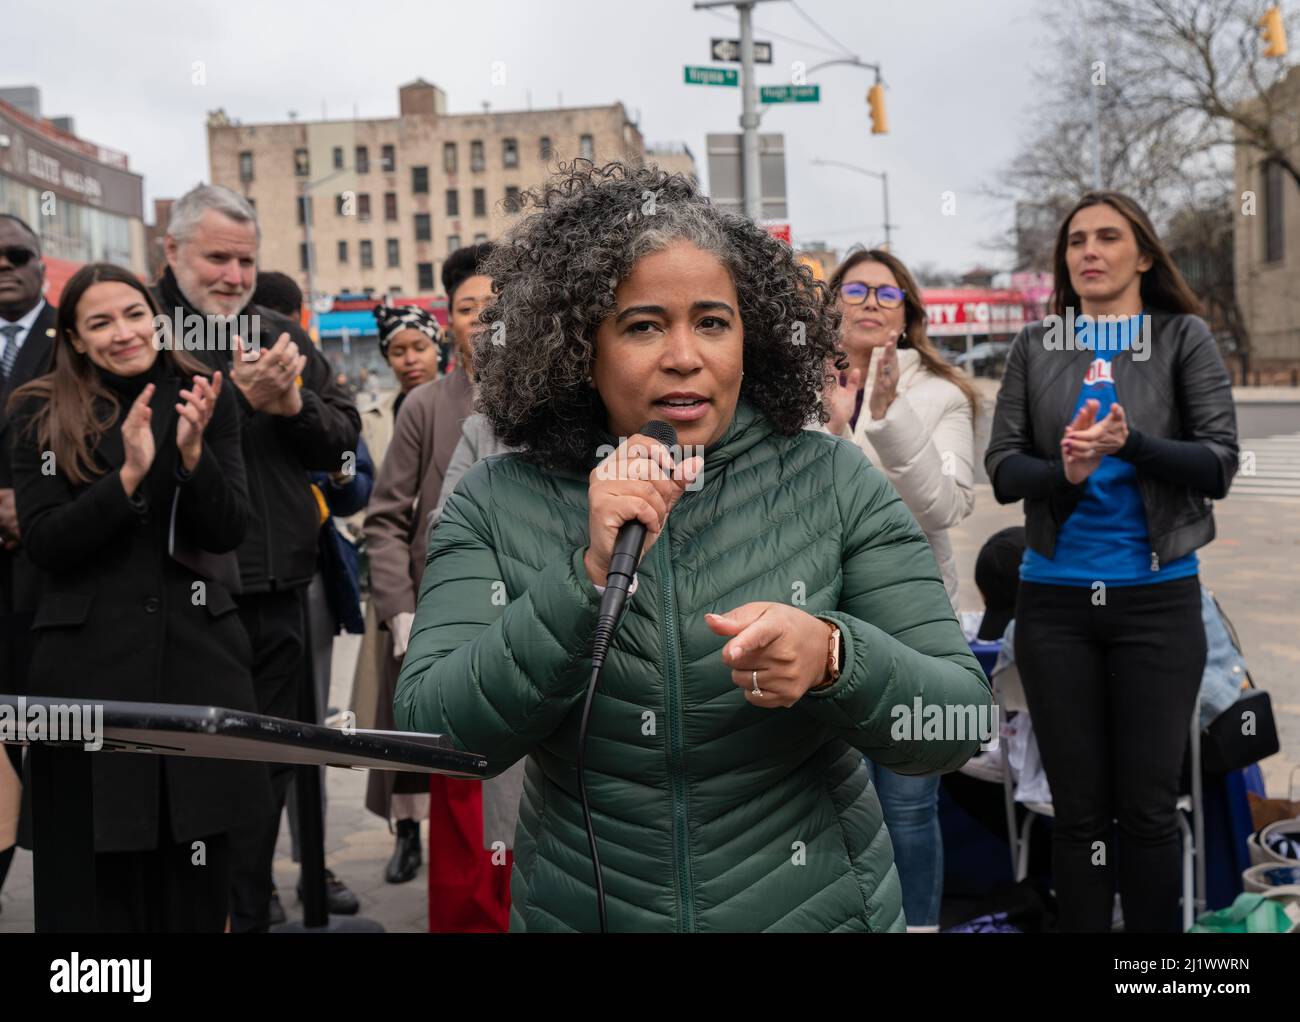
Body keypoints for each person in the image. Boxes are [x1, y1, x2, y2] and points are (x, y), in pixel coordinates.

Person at [394, 161, 990, 932]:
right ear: (580, 345)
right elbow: (434, 732)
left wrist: (836, 657)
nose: (685, 355)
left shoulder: (831, 478)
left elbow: (957, 722)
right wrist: (584, 580)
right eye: (643, 325)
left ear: (753, 337)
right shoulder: (497, 497)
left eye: (712, 321)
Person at [985, 191, 1238, 932]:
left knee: (1150, 810)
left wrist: (1132, 446)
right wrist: (1063, 474)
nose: (1088, 251)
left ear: (1145, 255)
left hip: (1157, 603)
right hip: (1055, 604)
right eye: (1075, 241)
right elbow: (1002, 468)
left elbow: (1218, 464)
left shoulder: (1182, 338)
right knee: (1078, 813)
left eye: (1107, 238)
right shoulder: (1039, 344)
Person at [8, 263, 272, 930]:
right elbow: (46, 544)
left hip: (197, 667)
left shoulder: (205, 393)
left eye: (133, 313)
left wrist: (189, 458)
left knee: (196, 882)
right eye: (99, 322)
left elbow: (230, 527)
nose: (123, 333)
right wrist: (126, 476)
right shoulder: (39, 408)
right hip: (86, 674)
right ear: (73, 336)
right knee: (97, 899)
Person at [156, 184, 361, 933]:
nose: (233, 276)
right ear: (172, 251)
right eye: (217, 258)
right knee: (198, 778)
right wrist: (239, 401)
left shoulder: (279, 334)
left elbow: (344, 438)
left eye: (246, 260)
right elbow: (140, 462)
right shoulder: (136, 333)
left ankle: (252, 910)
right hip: (184, 600)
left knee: (271, 772)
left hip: (282, 594)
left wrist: (292, 406)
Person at [824, 247, 979, 931]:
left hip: (912, 627)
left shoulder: (943, 394)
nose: (870, 301)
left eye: (888, 294)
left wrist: (886, 418)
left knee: (910, 808)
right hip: (821, 627)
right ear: (830, 304)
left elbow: (943, 505)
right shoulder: (788, 389)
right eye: (855, 288)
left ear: (909, 315)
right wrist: (830, 425)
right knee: (837, 804)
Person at [358, 246, 495, 921]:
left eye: (497, 307)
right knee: (460, 807)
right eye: (468, 309)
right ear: (451, 321)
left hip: (536, 631)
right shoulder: (425, 407)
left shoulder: (560, 399)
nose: (484, 321)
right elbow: (383, 524)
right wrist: (404, 618)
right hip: (447, 636)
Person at [250, 269, 364, 920]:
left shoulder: (303, 360)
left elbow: (353, 469)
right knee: (239, 743)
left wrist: (294, 407)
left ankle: (310, 866)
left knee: (304, 730)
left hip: (301, 575)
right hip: (217, 587)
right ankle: (252, 879)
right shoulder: (177, 345)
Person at [0, 214, 56, 903]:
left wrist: (32, 504)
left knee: (52, 748)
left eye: (17, 253)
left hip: (54, 586)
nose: (4, 264)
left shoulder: (76, 340)